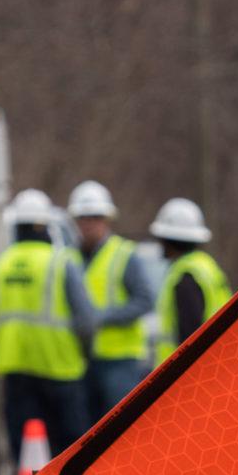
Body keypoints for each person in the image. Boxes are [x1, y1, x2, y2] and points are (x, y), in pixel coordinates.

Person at [0, 187, 97, 461]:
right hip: (62, 371)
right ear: (46, 226)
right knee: (70, 452)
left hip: (16, 374)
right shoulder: (61, 263)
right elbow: (87, 322)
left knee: (27, 452)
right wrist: (84, 353)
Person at [69, 179, 156, 421]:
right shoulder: (68, 258)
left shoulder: (124, 254)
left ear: (107, 219)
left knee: (119, 431)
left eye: (95, 217)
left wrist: (102, 317)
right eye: (83, 217)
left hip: (120, 361)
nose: (88, 224)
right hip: (80, 360)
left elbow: (145, 300)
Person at [150, 196, 231, 362]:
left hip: (192, 371)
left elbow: (189, 335)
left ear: (169, 240)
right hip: (216, 361)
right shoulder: (205, 265)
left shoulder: (185, 277)